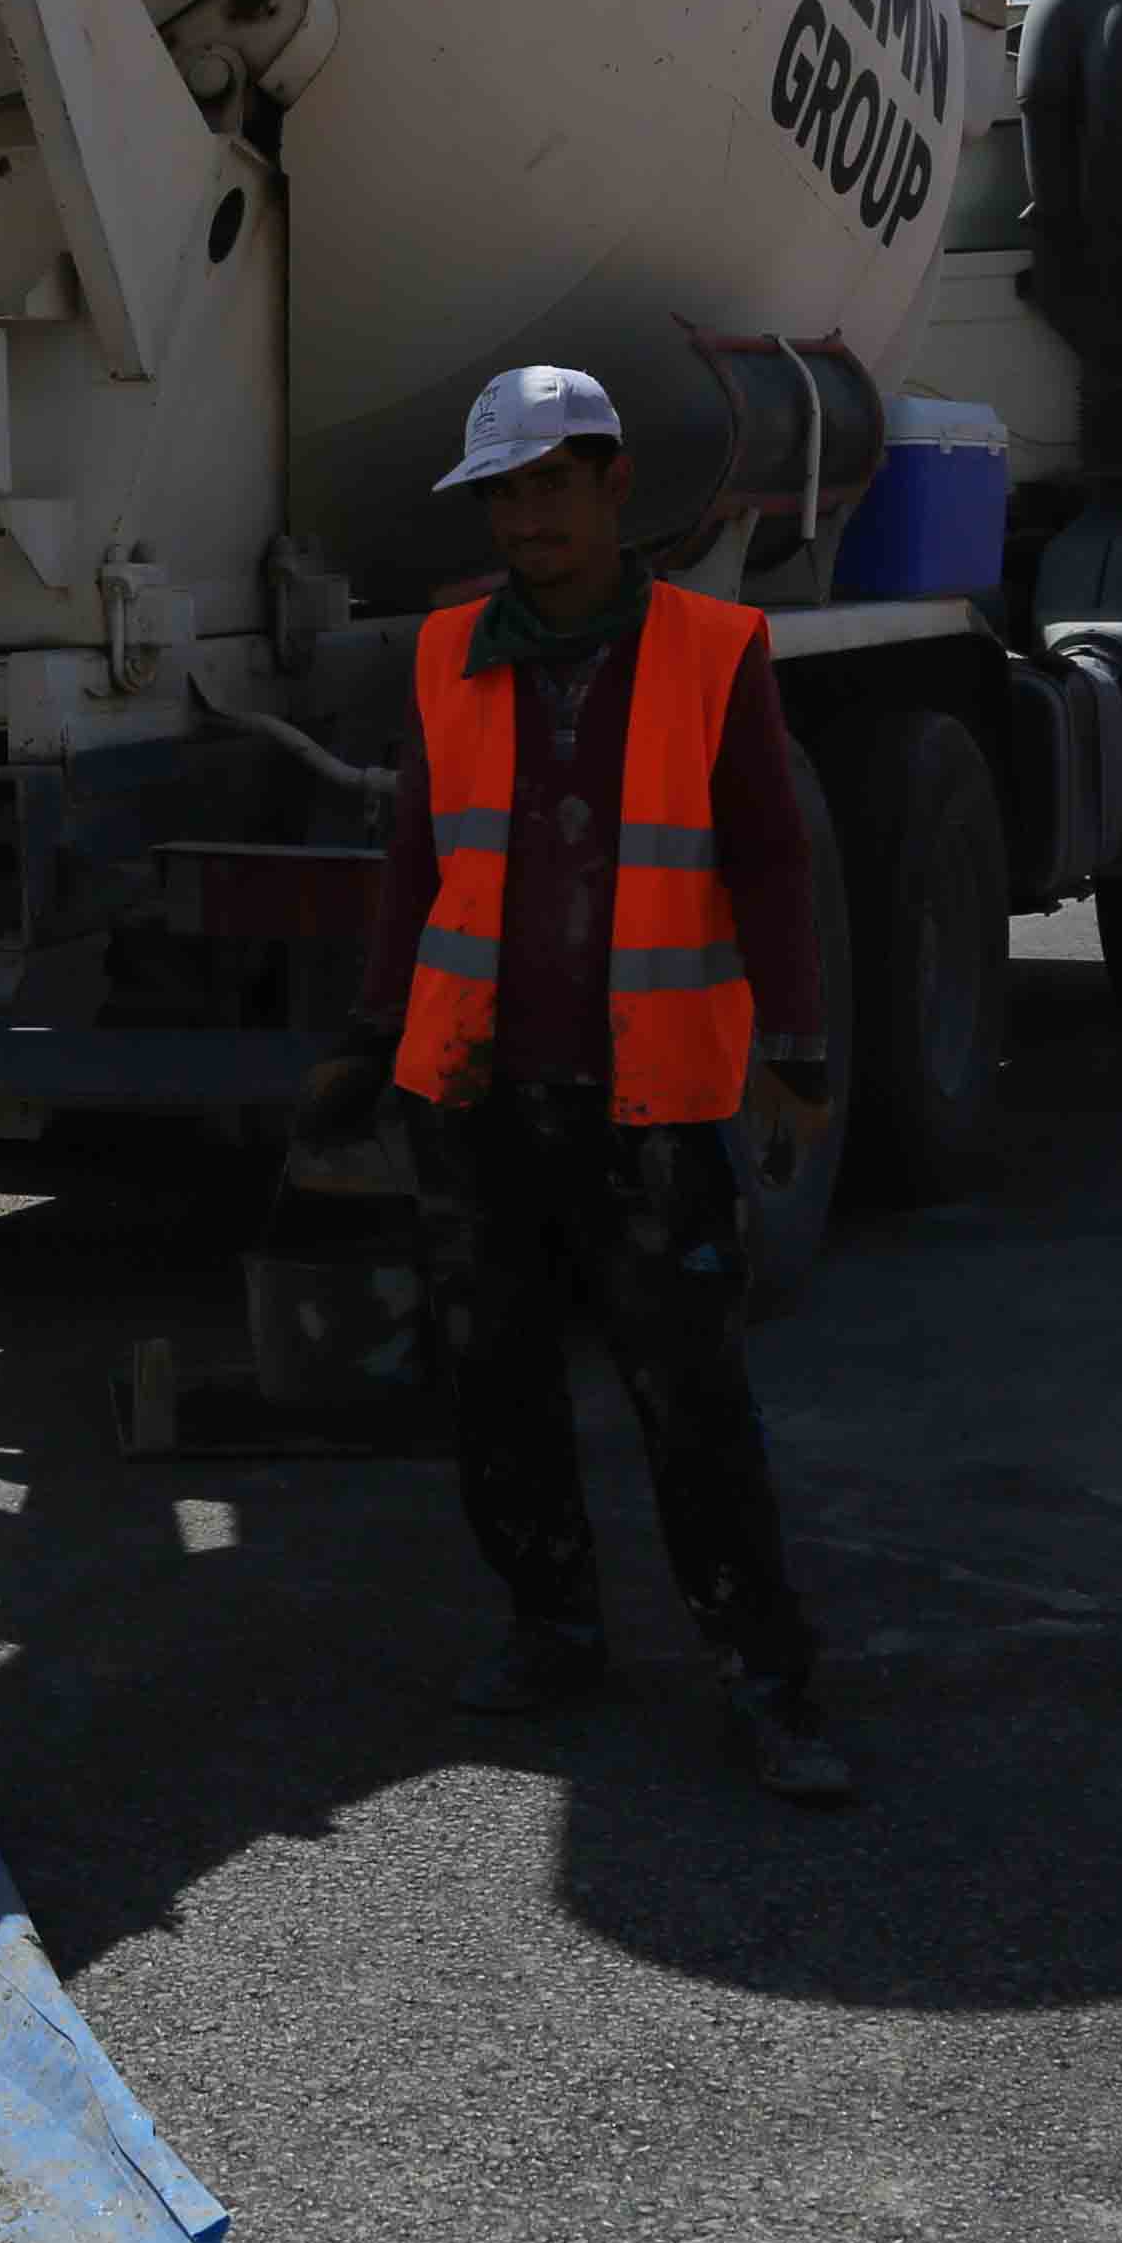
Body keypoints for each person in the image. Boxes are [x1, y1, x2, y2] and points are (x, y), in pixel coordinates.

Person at [341, 364, 856, 1806]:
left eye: (550, 487)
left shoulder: (708, 648)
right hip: (479, 1093)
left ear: (614, 485)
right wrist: (372, 1034)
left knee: (691, 1401)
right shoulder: (450, 653)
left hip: (656, 1108)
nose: (527, 520)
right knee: (498, 1386)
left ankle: (769, 1679)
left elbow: (767, 855)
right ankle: (553, 1630)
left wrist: (798, 1043)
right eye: (503, 494)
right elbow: (415, 862)